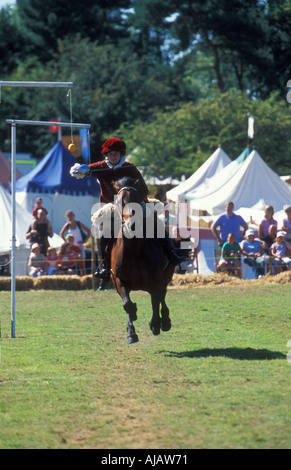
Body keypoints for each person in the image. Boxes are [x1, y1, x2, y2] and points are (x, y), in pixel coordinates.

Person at [70, 137, 183, 286]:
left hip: (132, 203)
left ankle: (171, 254)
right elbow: (86, 170)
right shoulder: (101, 166)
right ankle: (104, 265)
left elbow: (144, 188)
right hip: (110, 206)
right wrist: (80, 170)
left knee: (155, 222)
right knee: (103, 232)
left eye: (115, 153)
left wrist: (135, 200)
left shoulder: (130, 167)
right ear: (106, 154)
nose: (112, 156)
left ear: (121, 154)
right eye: (110, 153)